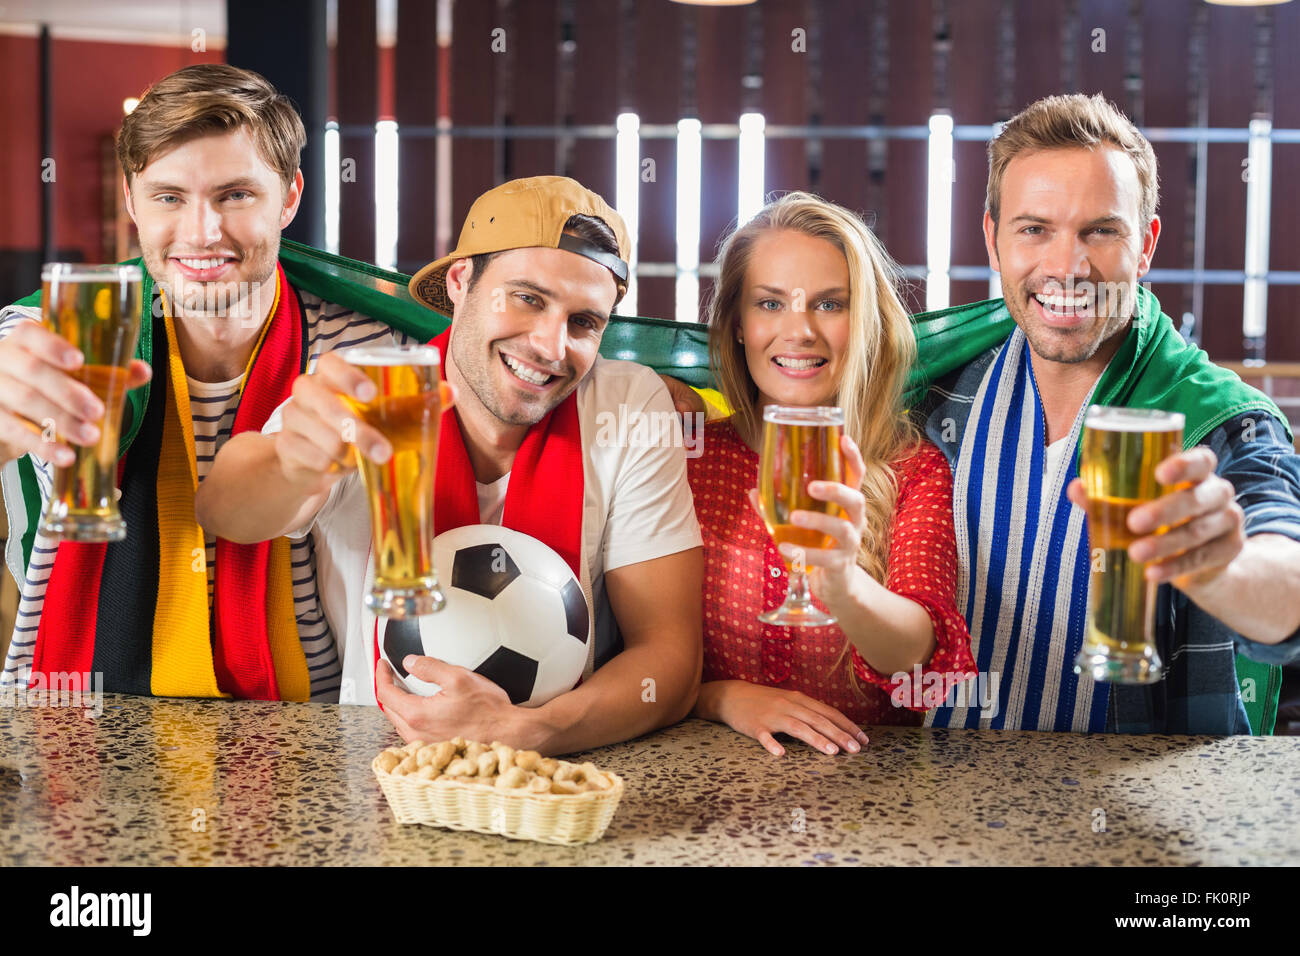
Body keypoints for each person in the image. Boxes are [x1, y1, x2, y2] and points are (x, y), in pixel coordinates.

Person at [196, 176, 705, 756]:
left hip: (563, 785)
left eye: (584, 322)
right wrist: (294, 461)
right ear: (462, 281)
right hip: (374, 779)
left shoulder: (626, 404)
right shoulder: (375, 387)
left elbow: (670, 658)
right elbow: (227, 509)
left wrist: (534, 733)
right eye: (528, 298)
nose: (550, 346)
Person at [0, 64, 414, 701]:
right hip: (69, 708)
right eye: (170, 197)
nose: (202, 232)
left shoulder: (367, 349)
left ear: (291, 198)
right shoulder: (54, 332)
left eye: (235, 195)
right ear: (132, 201)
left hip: (306, 720)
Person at [914, 94, 1300, 733]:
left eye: (1101, 230)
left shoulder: (1225, 419)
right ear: (993, 238)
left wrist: (1220, 567)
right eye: (1034, 229)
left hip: (1144, 811)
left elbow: (1287, 585)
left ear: (1145, 243)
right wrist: (684, 396)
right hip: (941, 799)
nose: (1066, 267)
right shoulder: (937, 391)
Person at [687, 192, 977, 757]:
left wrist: (842, 583)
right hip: (701, 788)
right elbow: (640, 651)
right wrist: (718, 698)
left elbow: (921, 656)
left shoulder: (913, 469)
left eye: (830, 305)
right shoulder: (688, 460)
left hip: (867, 797)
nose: (799, 332)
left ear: (864, 323)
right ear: (737, 325)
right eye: (770, 304)